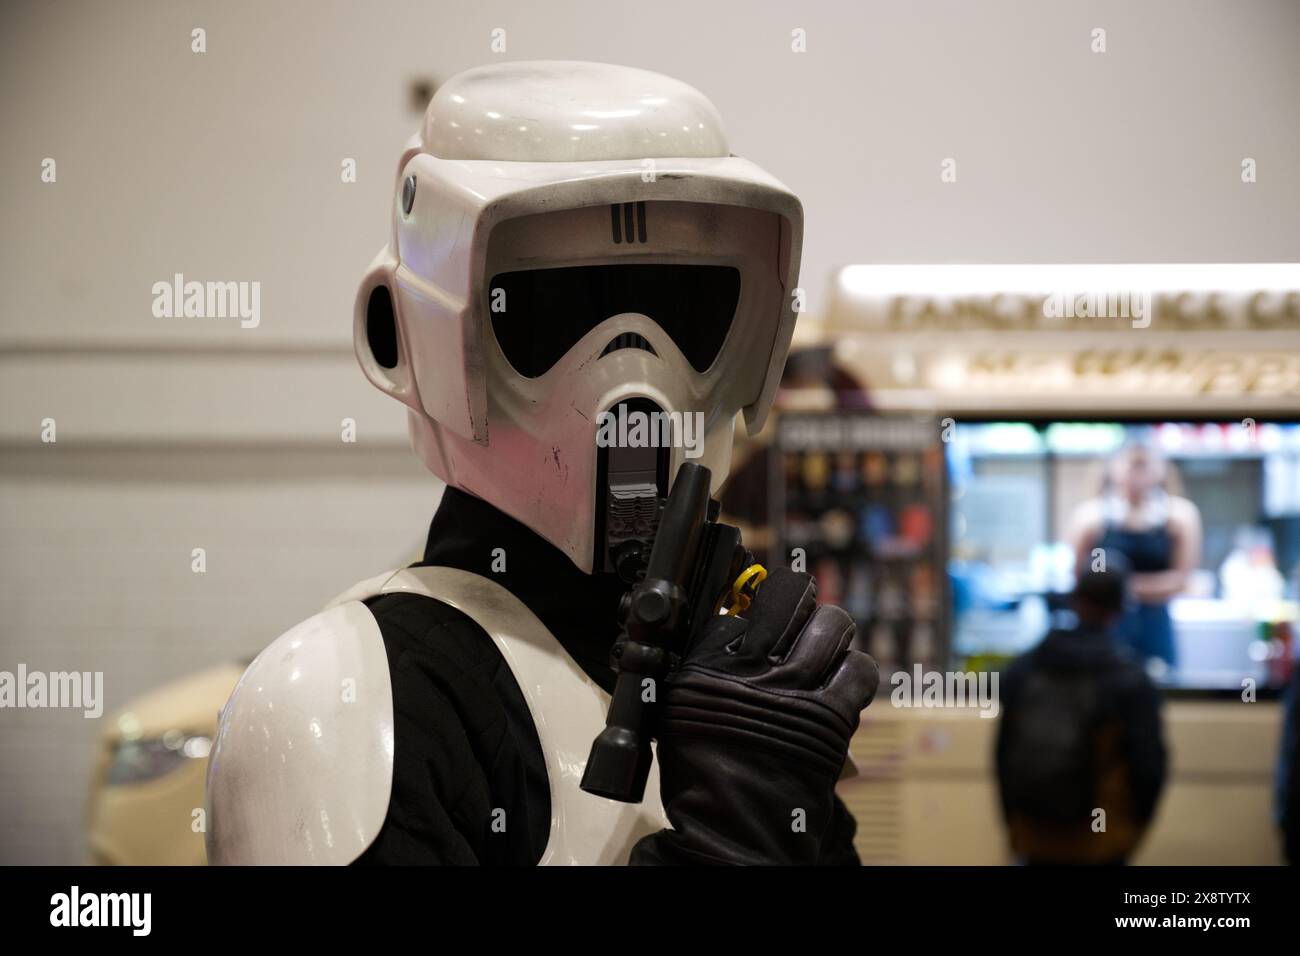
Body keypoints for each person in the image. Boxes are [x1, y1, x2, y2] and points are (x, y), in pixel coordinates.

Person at [204, 61, 879, 866]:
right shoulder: (343, 702)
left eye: (685, 305)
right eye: (566, 305)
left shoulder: (739, 704)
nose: (633, 367)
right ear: (409, 340)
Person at [995, 558, 1168, 865]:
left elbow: (1002, 755)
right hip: (1102, 841)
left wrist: (1013, 822)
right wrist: (1133, 829)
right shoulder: (1130, 680)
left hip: (1032, 835)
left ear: (1075, 601)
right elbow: (1149, 769)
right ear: (1121, 609)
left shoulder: (1023, 670)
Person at [1069, 441, 1202, 671]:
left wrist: (1118, 587)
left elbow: (1182, 579)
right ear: (1112, 467)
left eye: (1144, 465)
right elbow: (1080, 579)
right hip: (1105, 625)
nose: (1137, 474)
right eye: (1131, 464)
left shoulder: (1179, 517)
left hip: (1155, 623)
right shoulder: (1090, 518)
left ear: (1161, 469)